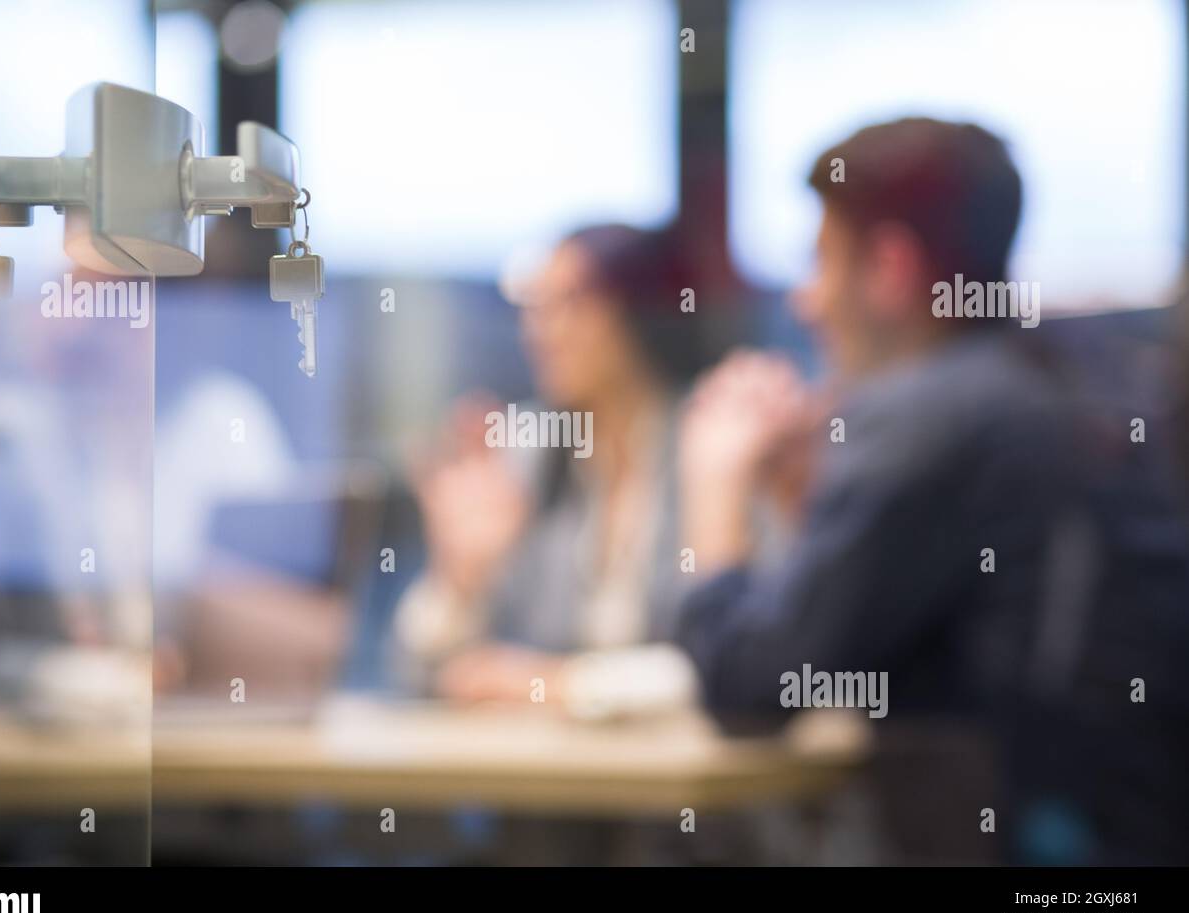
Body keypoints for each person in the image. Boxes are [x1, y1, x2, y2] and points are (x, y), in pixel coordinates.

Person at [674, 118, 1189, 864]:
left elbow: (749, 692)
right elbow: (872, 648)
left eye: (821, 263)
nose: (805, 303)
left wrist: (713, 485)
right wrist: (811, 499)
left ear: (888, 268)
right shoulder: (1089, 384)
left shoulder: (927, 413)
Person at [395, 224, 719, 716]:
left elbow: (729, 670)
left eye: (572, 301)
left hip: (686, 783)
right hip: (550, 783)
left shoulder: (712, 447)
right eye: (535, 306)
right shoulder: (526, 454)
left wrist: (561, 685)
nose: (541, 329)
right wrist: (456, 583)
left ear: (638, 308)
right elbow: (419, 675)